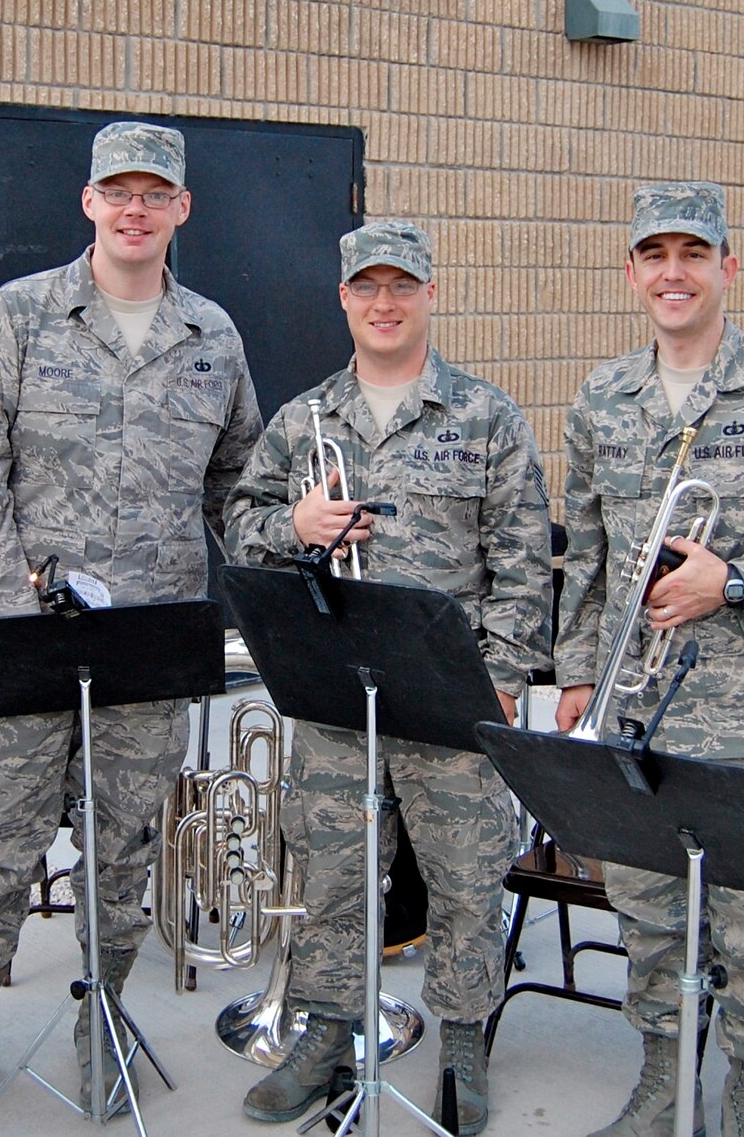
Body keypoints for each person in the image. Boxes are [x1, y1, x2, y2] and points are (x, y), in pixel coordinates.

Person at [0, 120, 262, 1129]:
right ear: (88, 202)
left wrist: (269, 592)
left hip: (147, 642)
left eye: (155, 192)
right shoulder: (20, 315)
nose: (134, 208)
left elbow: (240, 478)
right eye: (118, 190)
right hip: (24, 630)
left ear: (180, 208)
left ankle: (97, 1016)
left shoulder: (212, 336)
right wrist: (8, 610)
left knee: (122, 841)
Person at [222, 221, 551, 1134]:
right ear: (343, 299)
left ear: (430, 293)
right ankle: (325, 1027)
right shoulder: (304, 421)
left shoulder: (487, 417)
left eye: (402, 285)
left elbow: (524, 561)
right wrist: (296, 527)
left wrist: (506, 676)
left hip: (451, 692)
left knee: (465, 873)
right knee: (332, 867)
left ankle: (460, 1038)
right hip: (337, 688)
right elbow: (241, 532)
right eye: (367, 287)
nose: (385, 303)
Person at [554, 182, 744, 1137]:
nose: (672, 273)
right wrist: (571, 677)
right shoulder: (605, 394)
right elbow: (588, 553)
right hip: (636, 707)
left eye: (693, 254)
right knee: (645, 906)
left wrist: (734, 582)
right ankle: (661, 1076)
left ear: (730, 267)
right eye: (654, 256)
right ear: (631, 272)